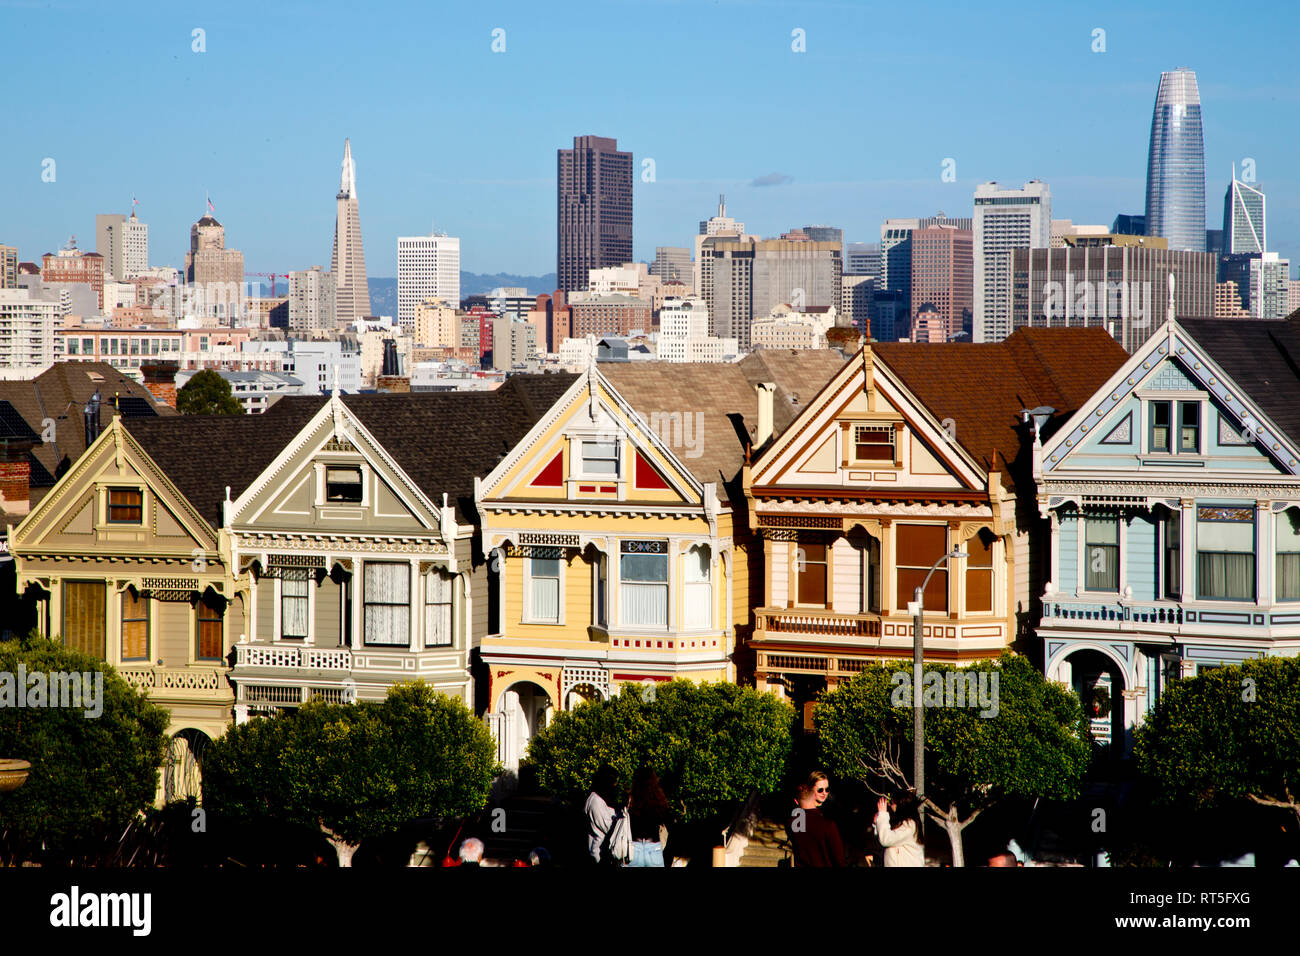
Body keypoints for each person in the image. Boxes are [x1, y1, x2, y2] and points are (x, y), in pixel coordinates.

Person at [786, 770, 846, 867]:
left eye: (827, 789)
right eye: (820, 790)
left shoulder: (794, 821)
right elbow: (839, 859)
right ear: (810, 790)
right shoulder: (827, 824)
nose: (824, 793)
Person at [625, 765, 671, 867]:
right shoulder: (658, 800)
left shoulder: (631, 800)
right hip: (653, 846)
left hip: (634, 847)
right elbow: (667, 818)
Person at [873, 794, 925, 867]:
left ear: (901, 805)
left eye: (892, 803)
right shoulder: (899, 823)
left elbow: (886, 840)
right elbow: (882, 840)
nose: (890, 805)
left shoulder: (909, 825)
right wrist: (877, 824)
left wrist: (883, 815)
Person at [585, 765, 620, 864]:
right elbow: (608, 827)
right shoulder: (596, 801)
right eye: (614, 782)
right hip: (599, 855)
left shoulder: (604, 799)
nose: (615, 785)